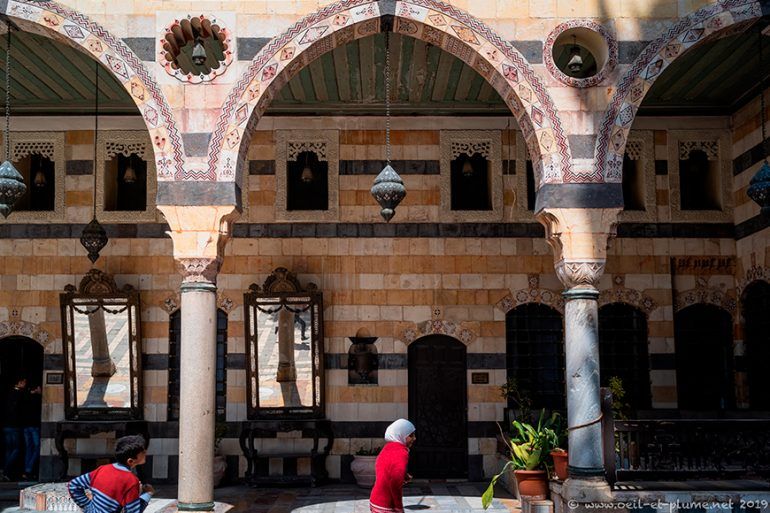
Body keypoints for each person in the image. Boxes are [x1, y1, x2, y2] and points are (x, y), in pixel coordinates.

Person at [68, 435, 154, 513]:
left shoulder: (102, 469)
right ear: (131, 461)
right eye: (143, 452)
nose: (145, 452)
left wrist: (88, 507)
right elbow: (134, 511)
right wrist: (148, 493)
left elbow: (73, 485)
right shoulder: (131, 481)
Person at [369, 419, 416, 513]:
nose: (414, 438)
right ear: (401, 435)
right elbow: (395, 484)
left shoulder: (387, 448)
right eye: (411, 435)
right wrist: (399, 508)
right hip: (386, 506)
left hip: (374, 501)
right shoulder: (401, 453)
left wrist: (404, 475)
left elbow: (385, 468)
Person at [2, 377, 27, 481]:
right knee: (16, 449)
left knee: (9, 449)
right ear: (20, 382)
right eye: (24, 382)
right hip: (14, 426)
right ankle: (6, 470)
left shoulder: (8, 394)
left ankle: (6, 471)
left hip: (6, 425)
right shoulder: (18, 394)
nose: (25, 384)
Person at [22, 384, 42, 480]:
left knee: (29, 449)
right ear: (37, 388)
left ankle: (27, 470)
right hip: (34, 426)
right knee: (37, 448)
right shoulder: (37, 399)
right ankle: (29, 470)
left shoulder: (25, 397)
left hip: (26, 426)